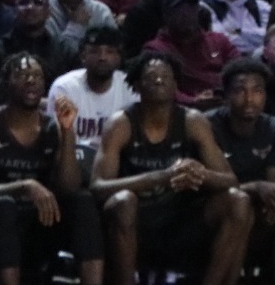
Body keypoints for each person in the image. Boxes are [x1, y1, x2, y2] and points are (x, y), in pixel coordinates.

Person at [93, 52, 252, 285]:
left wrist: (200, 173)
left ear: (176, 84)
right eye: (152, 77)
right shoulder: (121, 124)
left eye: (166, 76)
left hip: (181, 221)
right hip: (137, 222)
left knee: (238, 201)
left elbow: (230, 180)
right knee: (123, 201)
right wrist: (162, 177)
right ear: (136, 86)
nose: (159, 81)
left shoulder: (193, 121)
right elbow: (98, 187)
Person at [0, 53, 105, 285]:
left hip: (43, 218)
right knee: (4, 205)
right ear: (5, 83)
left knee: (83, 200)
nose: (31, 80)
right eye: (22, 75)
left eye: (37, 76)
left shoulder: (55, 126)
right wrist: (25, 186)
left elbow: (68, 187)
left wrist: (69, 133)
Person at [207, 58, 275, 285]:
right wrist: (256, 187)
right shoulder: (208, 125)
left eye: (257, 91)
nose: (250, 99)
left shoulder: (274, 127)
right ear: (227, 95)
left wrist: (273, 199)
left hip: (254, 204)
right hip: (214, 207)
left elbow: (272, 182)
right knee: (239, 204)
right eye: (240, 91)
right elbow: (213, 185)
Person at [48, 25, 139, 159]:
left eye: (109, 51)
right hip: (73, 158)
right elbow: (56, 138)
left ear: (119, 58)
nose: (102, 57)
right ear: (83, 56)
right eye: (95, 51)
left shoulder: (130, 87)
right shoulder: (64, 87)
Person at [0, 0, 77, 105]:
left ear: (48, 12)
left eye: (37, 2)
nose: (30, 7)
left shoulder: (66, 50)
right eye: (23, 3)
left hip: (57, 119)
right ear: (15, 11)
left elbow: (76, 95)